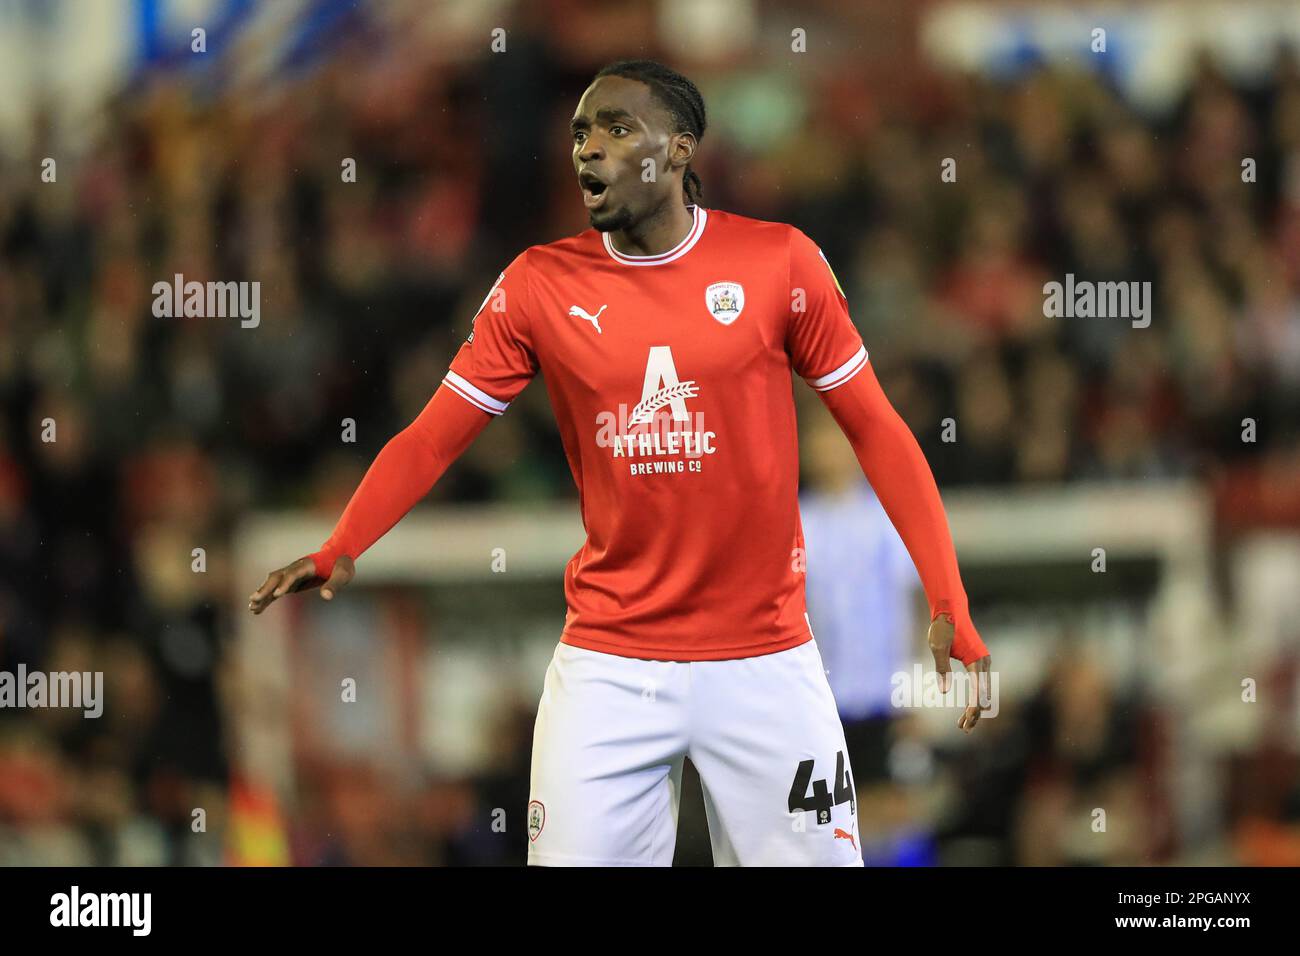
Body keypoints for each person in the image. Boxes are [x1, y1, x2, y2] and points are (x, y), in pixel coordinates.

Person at [248, 60, 991, 867]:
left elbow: (878, 430)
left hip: (766, 660)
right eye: (578, 135)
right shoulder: (538, 286)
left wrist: (949, 594)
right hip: (610, 663)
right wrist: (343, 542)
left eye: (615, 129)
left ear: (678, 150)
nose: (588, 152)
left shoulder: (779, 263)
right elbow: (433, 436)